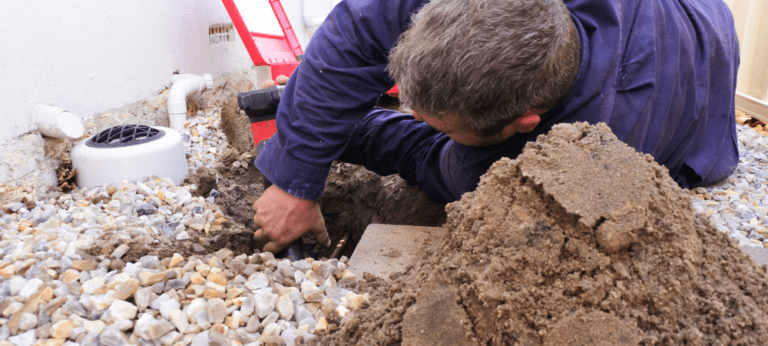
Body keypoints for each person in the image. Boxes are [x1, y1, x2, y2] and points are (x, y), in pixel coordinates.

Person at [252, 0, 740, 253]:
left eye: (438, 124)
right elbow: (359, 29)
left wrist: (348, 131)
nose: (416, 117)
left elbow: (419, 154)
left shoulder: (578, 152)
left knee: (453, 172)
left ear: (524, 125)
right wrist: (297, 176)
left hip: (699, 48)